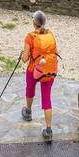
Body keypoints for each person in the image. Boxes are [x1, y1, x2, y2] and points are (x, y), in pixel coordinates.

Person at [21, 10, 59, 141]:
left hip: (34, 70)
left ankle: (28, 112)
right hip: (49, 70)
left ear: (34, 23)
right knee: (46, 99)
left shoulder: (30, 37)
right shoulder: (51, 35)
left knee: (30, 90)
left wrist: (22, 53)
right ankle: (48, 130)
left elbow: (25, 59)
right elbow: (55, 52)